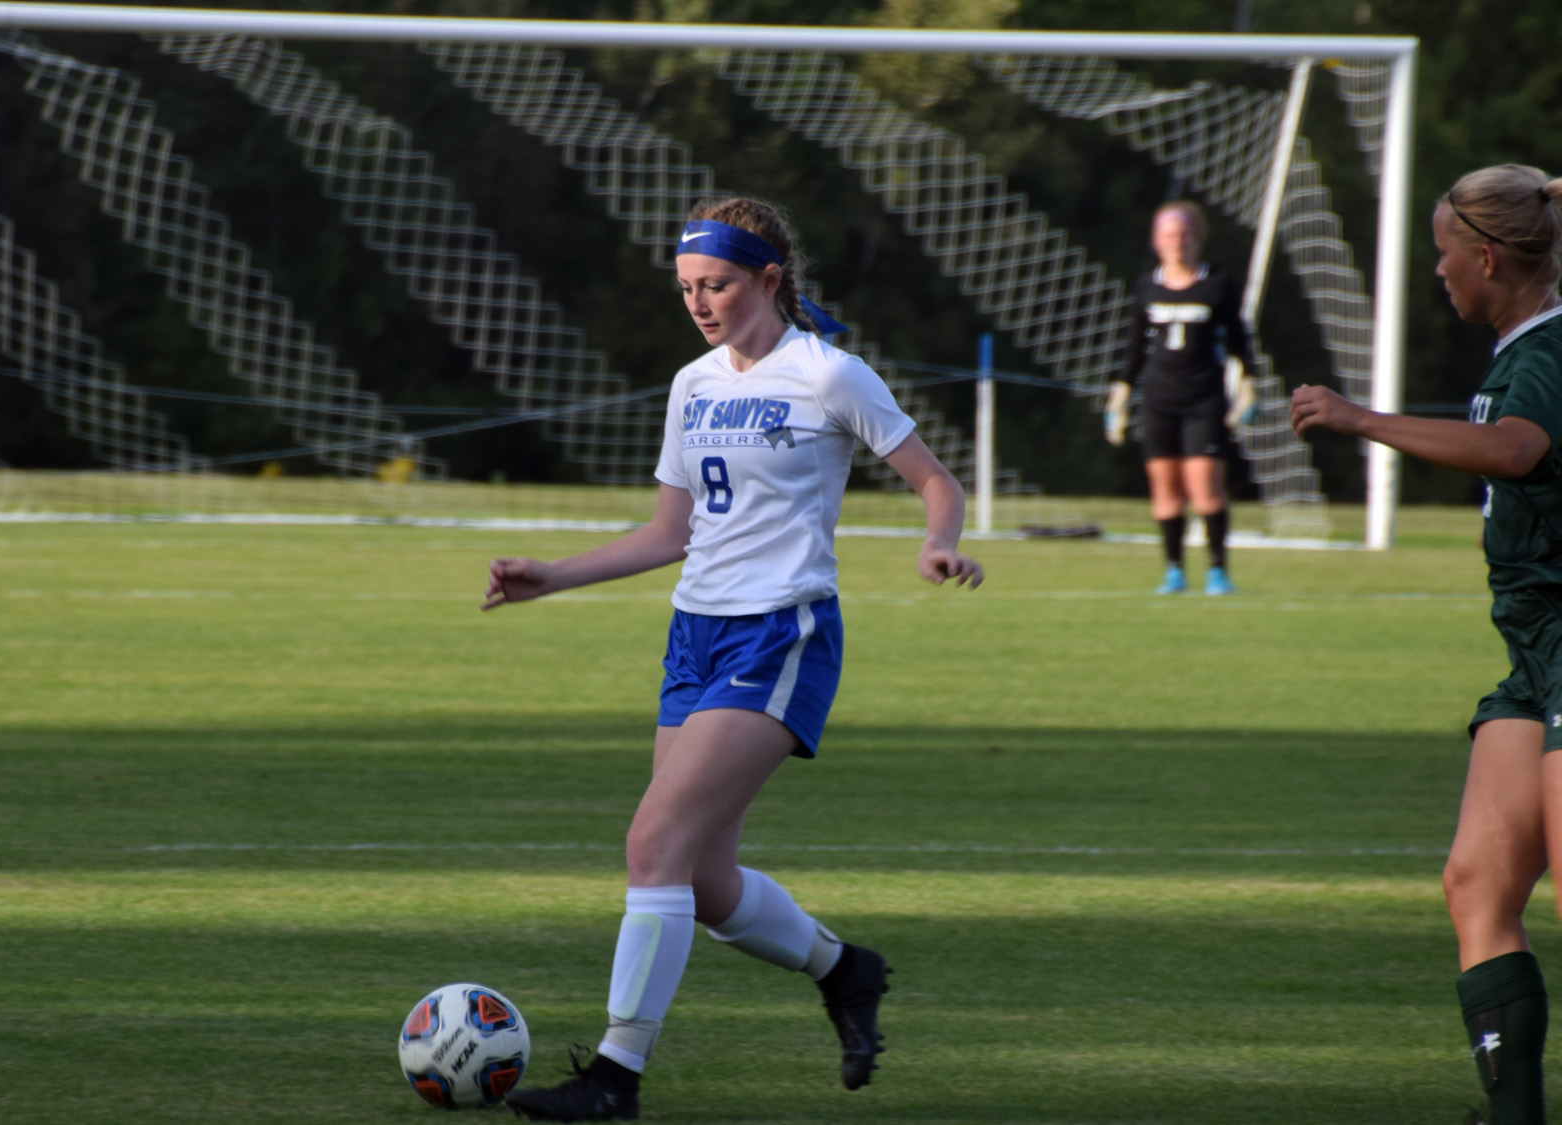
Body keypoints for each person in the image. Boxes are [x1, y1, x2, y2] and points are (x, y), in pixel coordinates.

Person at [482, 197, 983, 1122]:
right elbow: (672, 532)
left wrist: (935, 544)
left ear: (768, 279)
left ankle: (614, 1079)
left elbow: (935, 480)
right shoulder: (693, 383)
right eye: (686, 288)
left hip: (779, 634)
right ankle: (846, 969)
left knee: (651, 844)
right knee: (703, 880)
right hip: (694, 636)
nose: (701, 303)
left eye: (715, 284)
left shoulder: (829, 375)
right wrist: (553, 576)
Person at [1291, 164, 1562, 1125]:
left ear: (1485, 256)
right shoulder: (1520, 352)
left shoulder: (1546, 355)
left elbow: (1517, 450)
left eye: (1444, 249)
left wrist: (1362, 419)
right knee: (1475, 883)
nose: (1438, 268)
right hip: (1536, 661)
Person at [1105, 200, 1258, 596]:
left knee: (1204, 483)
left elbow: (1241, 342)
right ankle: (1174, 570)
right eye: (1170, 233)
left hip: (1204, 399)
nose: (1178, 240)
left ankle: (1217, 570)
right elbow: (1135, 348)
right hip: (1159, 400)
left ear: (1198, 238)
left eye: (1185, 232)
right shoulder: (1147, 287)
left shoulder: (1217, 283)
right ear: (1157, 240)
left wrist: (1249, 388)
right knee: (1165, 486)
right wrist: (1118, 401)